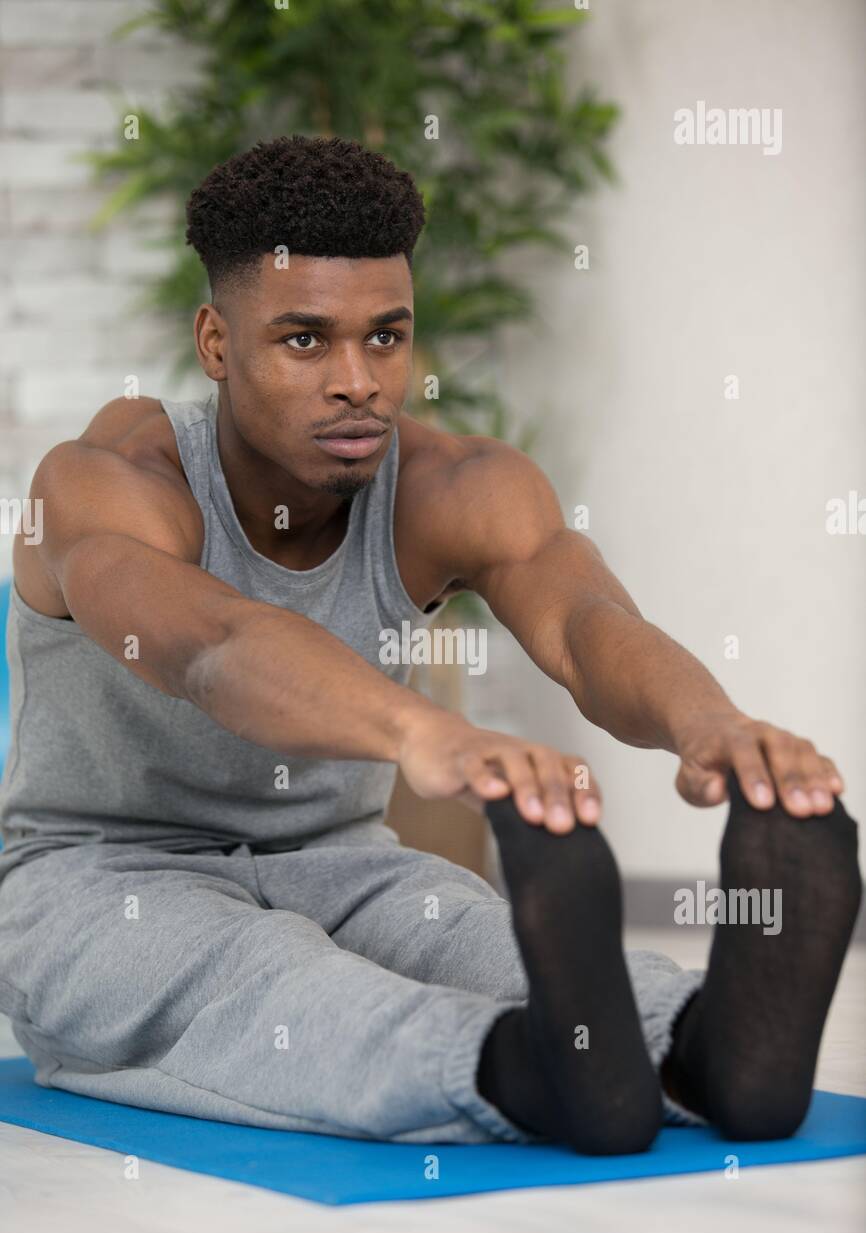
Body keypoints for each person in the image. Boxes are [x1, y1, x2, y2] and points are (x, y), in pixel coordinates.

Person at [0, 136, 860, 1153]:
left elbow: (589, 627)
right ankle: (520, 1069)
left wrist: (708, 724)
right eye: (306, 341)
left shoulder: (454, 485)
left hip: (346, 865)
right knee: (266, 980)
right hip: (102, 878)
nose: (359, 381)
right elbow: (211, 643)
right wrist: (422, 733)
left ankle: (700, 1043)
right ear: (216, 343)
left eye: (387, 337)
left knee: (474, 932)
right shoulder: (103, 480)